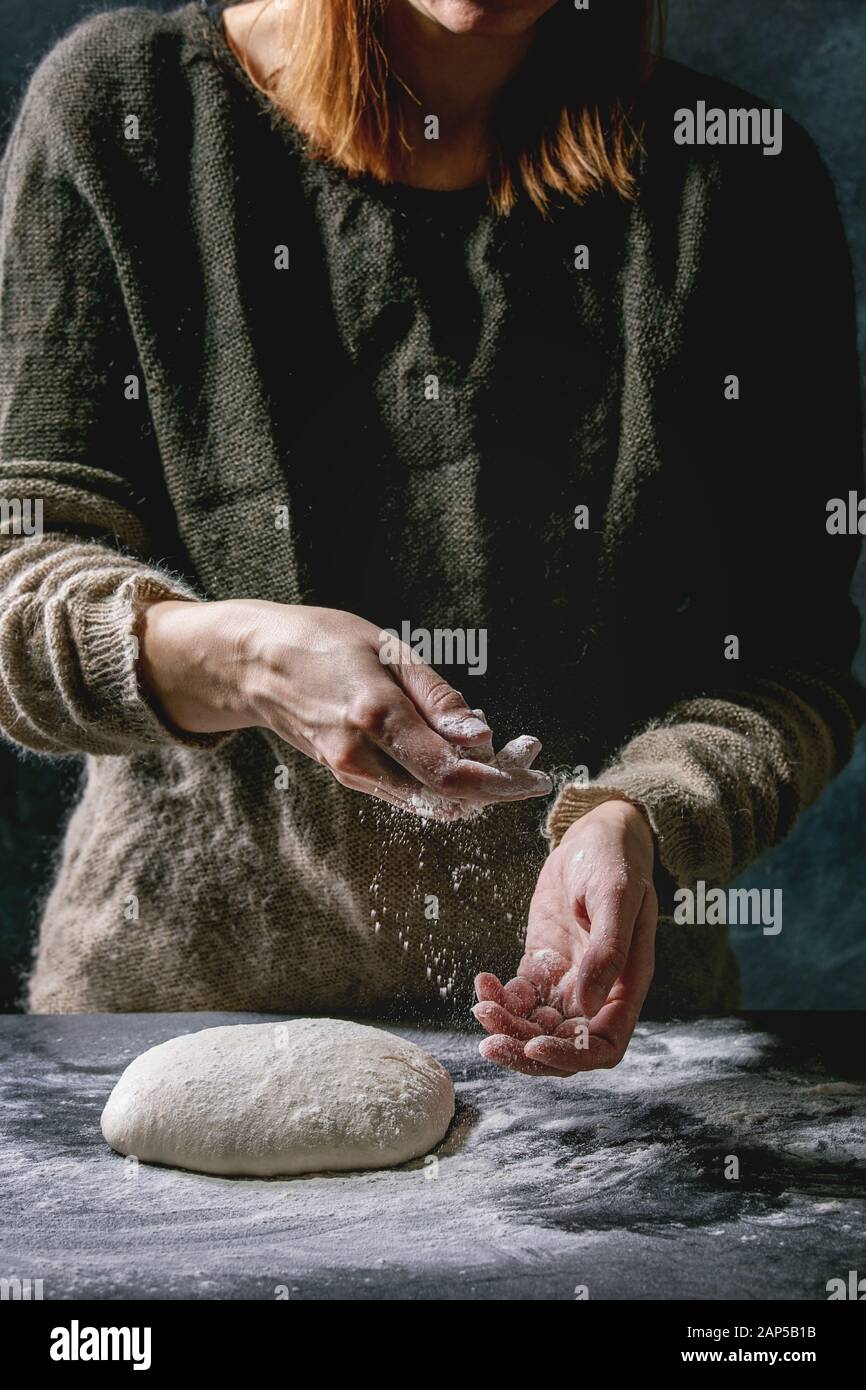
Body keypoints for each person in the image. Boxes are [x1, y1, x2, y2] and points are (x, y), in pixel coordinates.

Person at [0, 0, 861, 1078]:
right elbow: (19, 578)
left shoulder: (735, 181)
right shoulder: (125, 112)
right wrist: (249, 661)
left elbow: (790, 661)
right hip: (164, 1025)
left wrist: (634, 818)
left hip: (603, 1057)